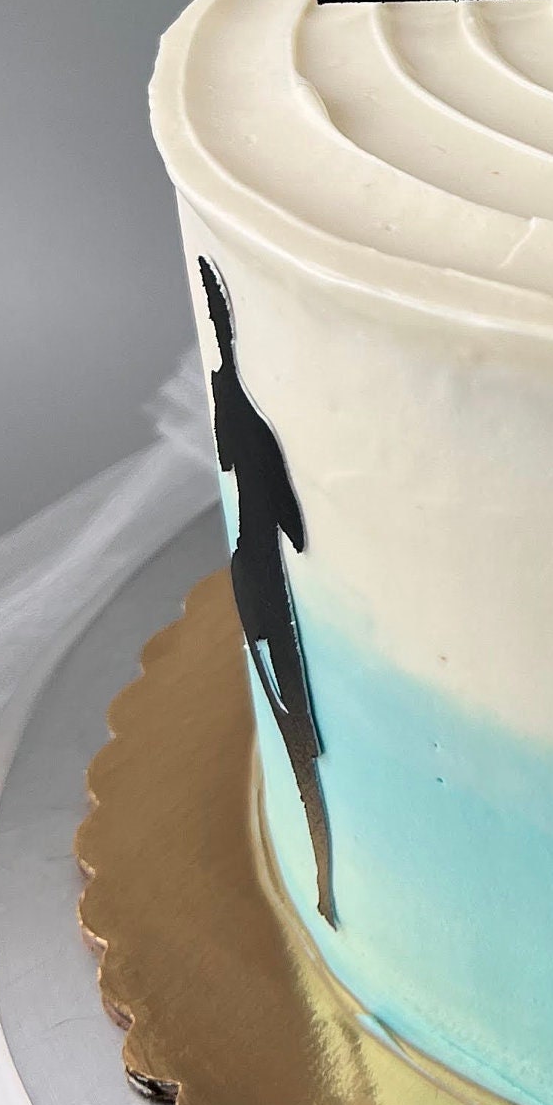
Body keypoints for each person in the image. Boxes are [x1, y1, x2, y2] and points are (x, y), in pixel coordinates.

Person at [198, 258, 337, 925]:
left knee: (292, 728)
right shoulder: (254, 423)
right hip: (272, 595)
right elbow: (296, 529)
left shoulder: (233, 416)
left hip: (247, 579)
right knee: (299, 728)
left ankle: (322, 875)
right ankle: (324, 878)